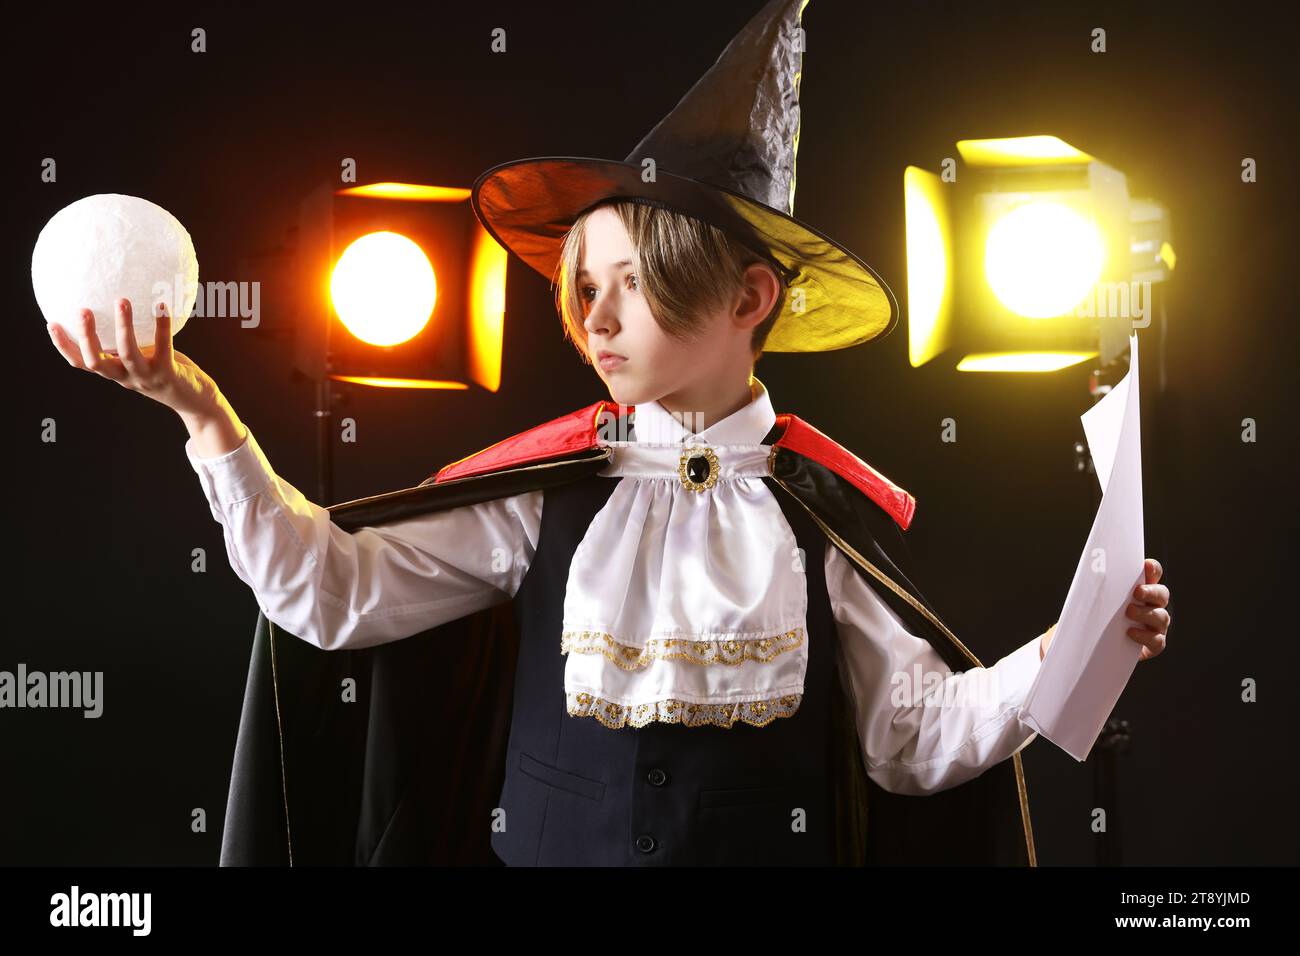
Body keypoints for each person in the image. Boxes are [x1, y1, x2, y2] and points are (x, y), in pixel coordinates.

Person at [45, 0, 1171, 865]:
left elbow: (911, 738)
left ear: (746, 299)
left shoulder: (826, 513)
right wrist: (201, 408)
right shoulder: (544, 490)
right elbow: (327, 598)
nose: (592, 315)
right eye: (582, 284)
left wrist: (1077, 642)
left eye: (634, 283)